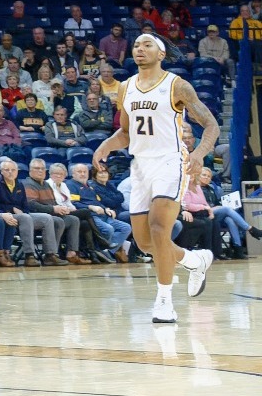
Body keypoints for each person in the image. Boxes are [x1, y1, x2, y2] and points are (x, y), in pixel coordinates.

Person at [93, 33, 221, 324]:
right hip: (140, 166)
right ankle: (194, 260)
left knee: (159, 229)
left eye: (147, 44)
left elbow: (211, 124)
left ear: (161, 54)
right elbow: (125, 133)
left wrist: (199, 153)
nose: (140, 49)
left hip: (169, 162)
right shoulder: (125, 88)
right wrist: (104, 145)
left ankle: (164, 301)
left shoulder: (177, 85)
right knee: (146, 242)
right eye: (136, 45)